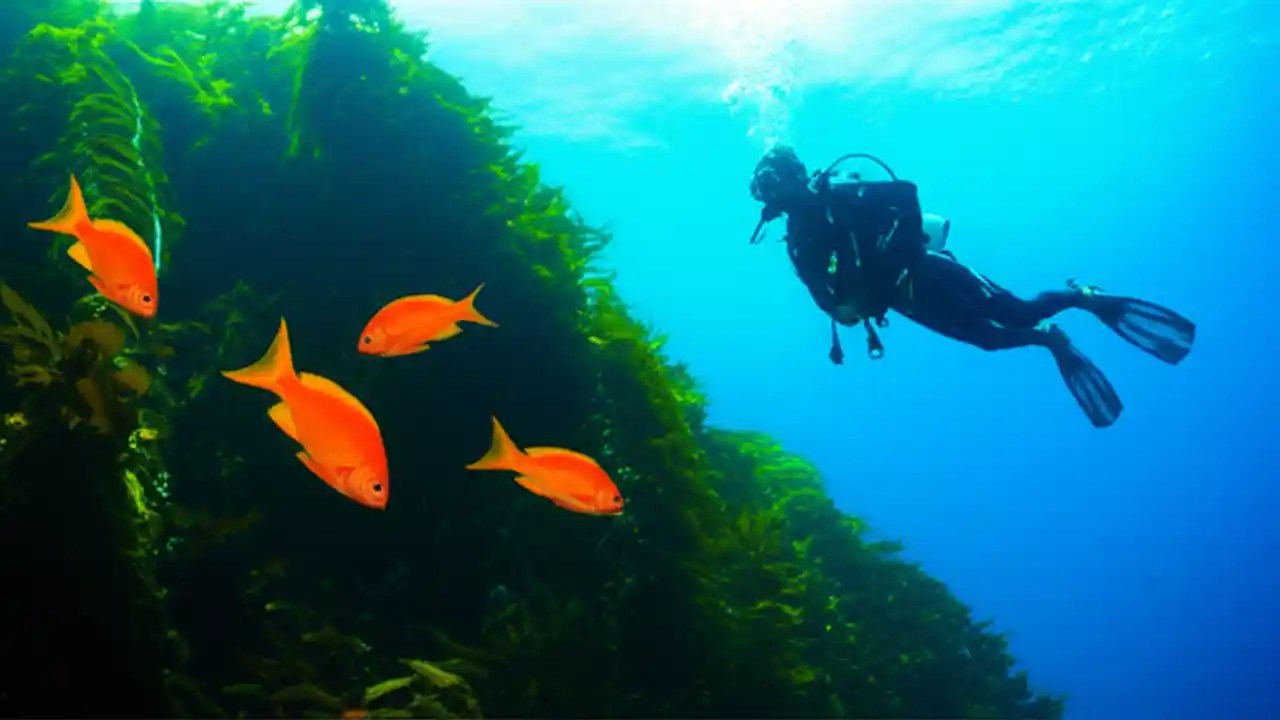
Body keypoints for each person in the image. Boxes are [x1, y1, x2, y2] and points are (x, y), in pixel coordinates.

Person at [747, 145, 1196, 428]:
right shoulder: (798, 242)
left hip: (930, 272)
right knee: (989, 341)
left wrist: (902, 252)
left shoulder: (837, 197)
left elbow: (905, 192)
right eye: (762, 186)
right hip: (904, 302)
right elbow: (817, 290)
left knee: (1018, 313)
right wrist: (840, 310)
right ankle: (1049, 341)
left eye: (775, 178)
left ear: (794, 173)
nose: (771, 191)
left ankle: (1084, 296)